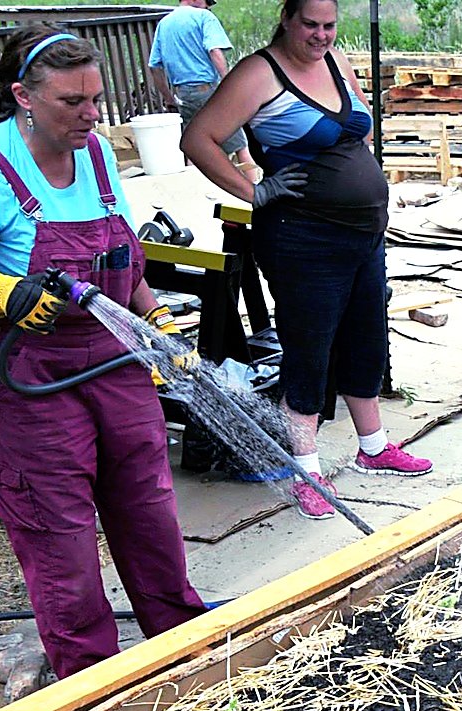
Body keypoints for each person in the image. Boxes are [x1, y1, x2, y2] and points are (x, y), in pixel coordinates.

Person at [0, 27, 209, 679]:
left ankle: (189, 669)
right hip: (32, 387)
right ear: (23, 96)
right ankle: (91, 697)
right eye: (71, 101)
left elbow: (119, 261)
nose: (90, 114)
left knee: (153, 528)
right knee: (65, 553)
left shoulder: (99, 157)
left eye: (96, 98)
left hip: (115, 370)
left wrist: (154, 315)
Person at [181, 0, 431, 522]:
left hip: (363, 233)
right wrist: (254, 189)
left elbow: (358, 124)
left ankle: (373, 446)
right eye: (310, 25)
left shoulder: (334, 60)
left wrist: (360, 175)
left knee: (366, 338)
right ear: (286, 19)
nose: (320, 35)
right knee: (309, 348)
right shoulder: (258, 72)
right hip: (303, 238)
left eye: (329, 25)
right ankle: (306, 468)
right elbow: (197, 139)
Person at [148, 0, 256, 176]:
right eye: (207, 2)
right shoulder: (204, 17)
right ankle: (256, 194)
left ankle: (197, 192)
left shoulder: (164, 23)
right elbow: (214, 51)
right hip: (208, 91)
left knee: (196, 148)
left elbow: (154, 67)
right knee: (240, 145)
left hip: (183, 96)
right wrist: (231, 86)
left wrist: (168, 98)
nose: (208, 6)